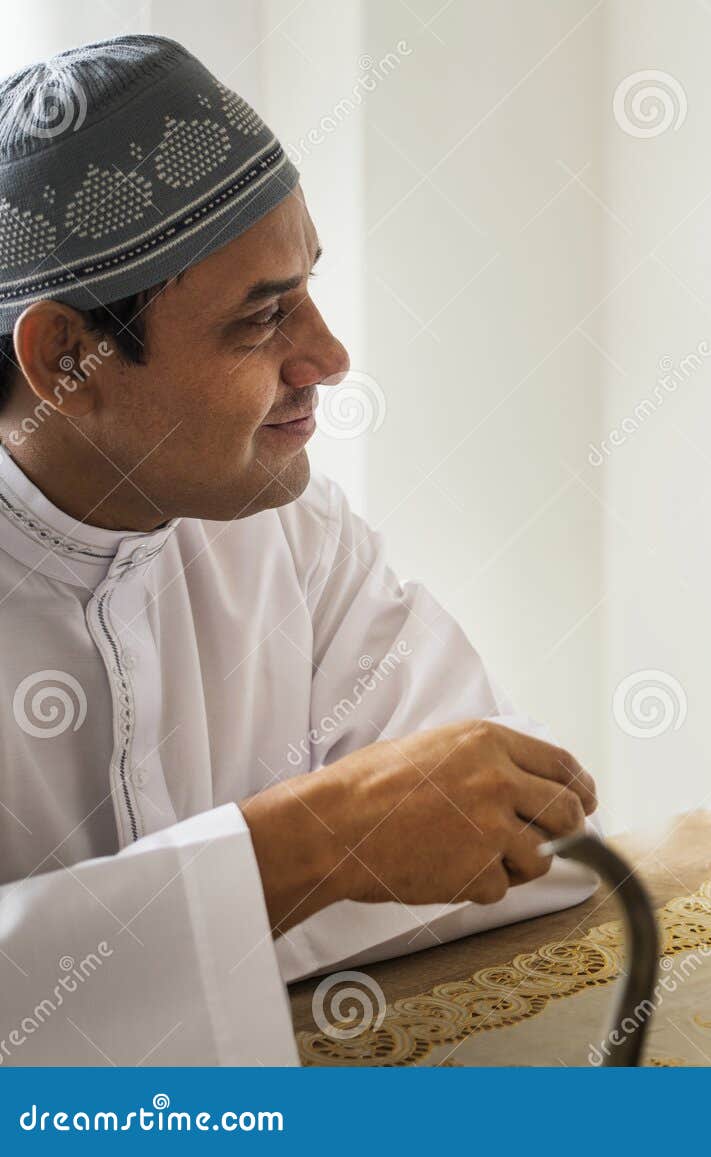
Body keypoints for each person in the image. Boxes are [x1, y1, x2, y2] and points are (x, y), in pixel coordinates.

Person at [0, 35, 598, 1065]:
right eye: (263, 317)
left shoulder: (287, 527)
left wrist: (162, 934)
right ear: (67, 359)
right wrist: (306, 849)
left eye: (309, 289)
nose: (329, 355)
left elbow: (529, 835)